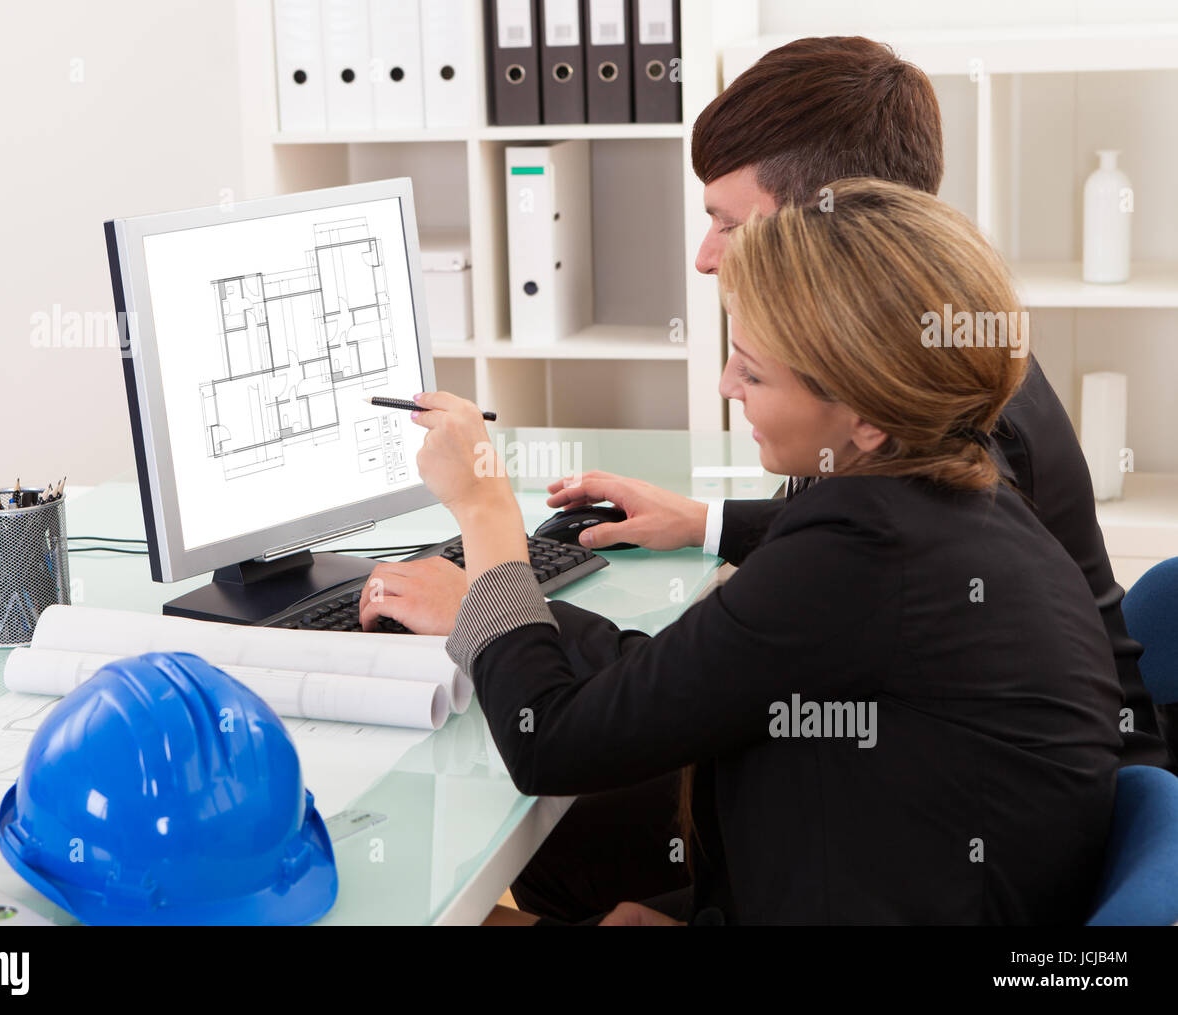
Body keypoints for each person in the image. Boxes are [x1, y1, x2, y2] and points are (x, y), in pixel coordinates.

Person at [365, 178, 1122, 925]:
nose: (728, 385)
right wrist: (492, 607)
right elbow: (708, 667)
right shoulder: (948, 495)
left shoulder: (865, 549)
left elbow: (548, 743)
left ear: (864, 416)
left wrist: (485, 509)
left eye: (753, 370)